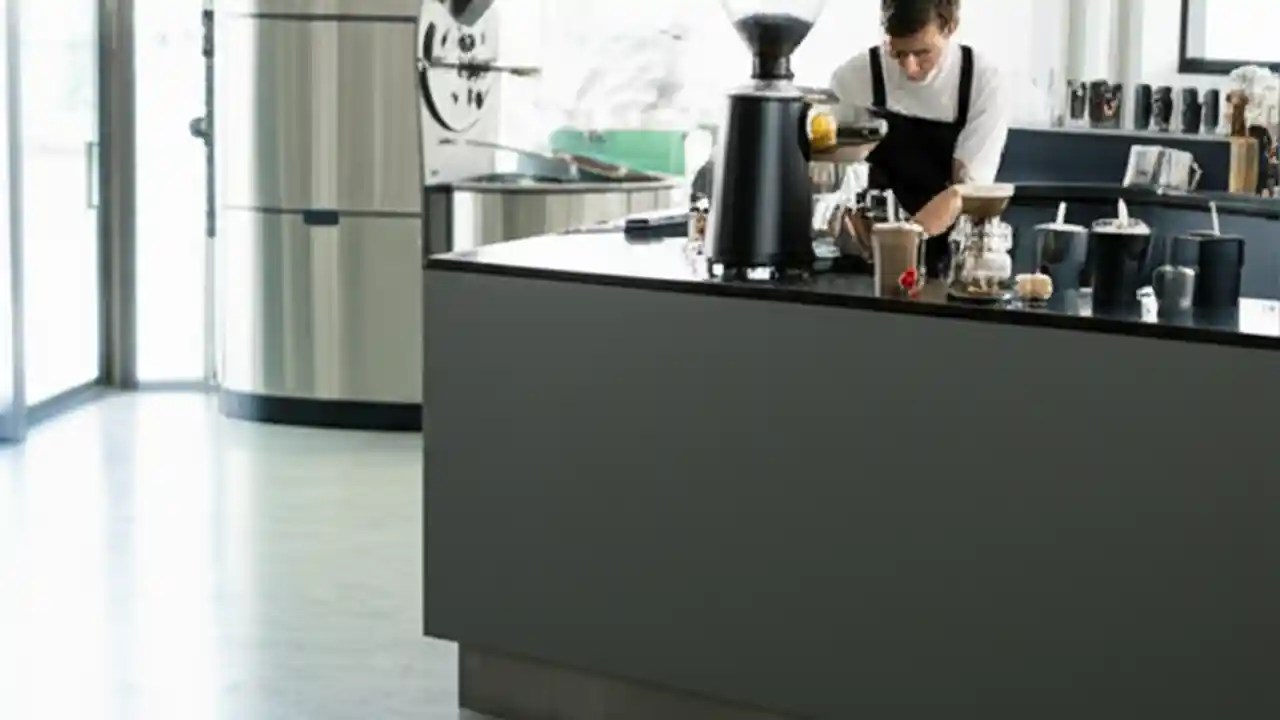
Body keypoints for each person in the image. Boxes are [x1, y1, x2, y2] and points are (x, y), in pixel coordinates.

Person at [830, 0, 1009, 277]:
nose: (910, 67)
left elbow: (966, 190)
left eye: (922, 52)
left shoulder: (983, 83)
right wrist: (844, 212)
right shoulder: (854, 78)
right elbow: (839, 179)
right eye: (897, 53)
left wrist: (905, 240)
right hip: (864, 260)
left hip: (946, 261)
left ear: (950, 27)